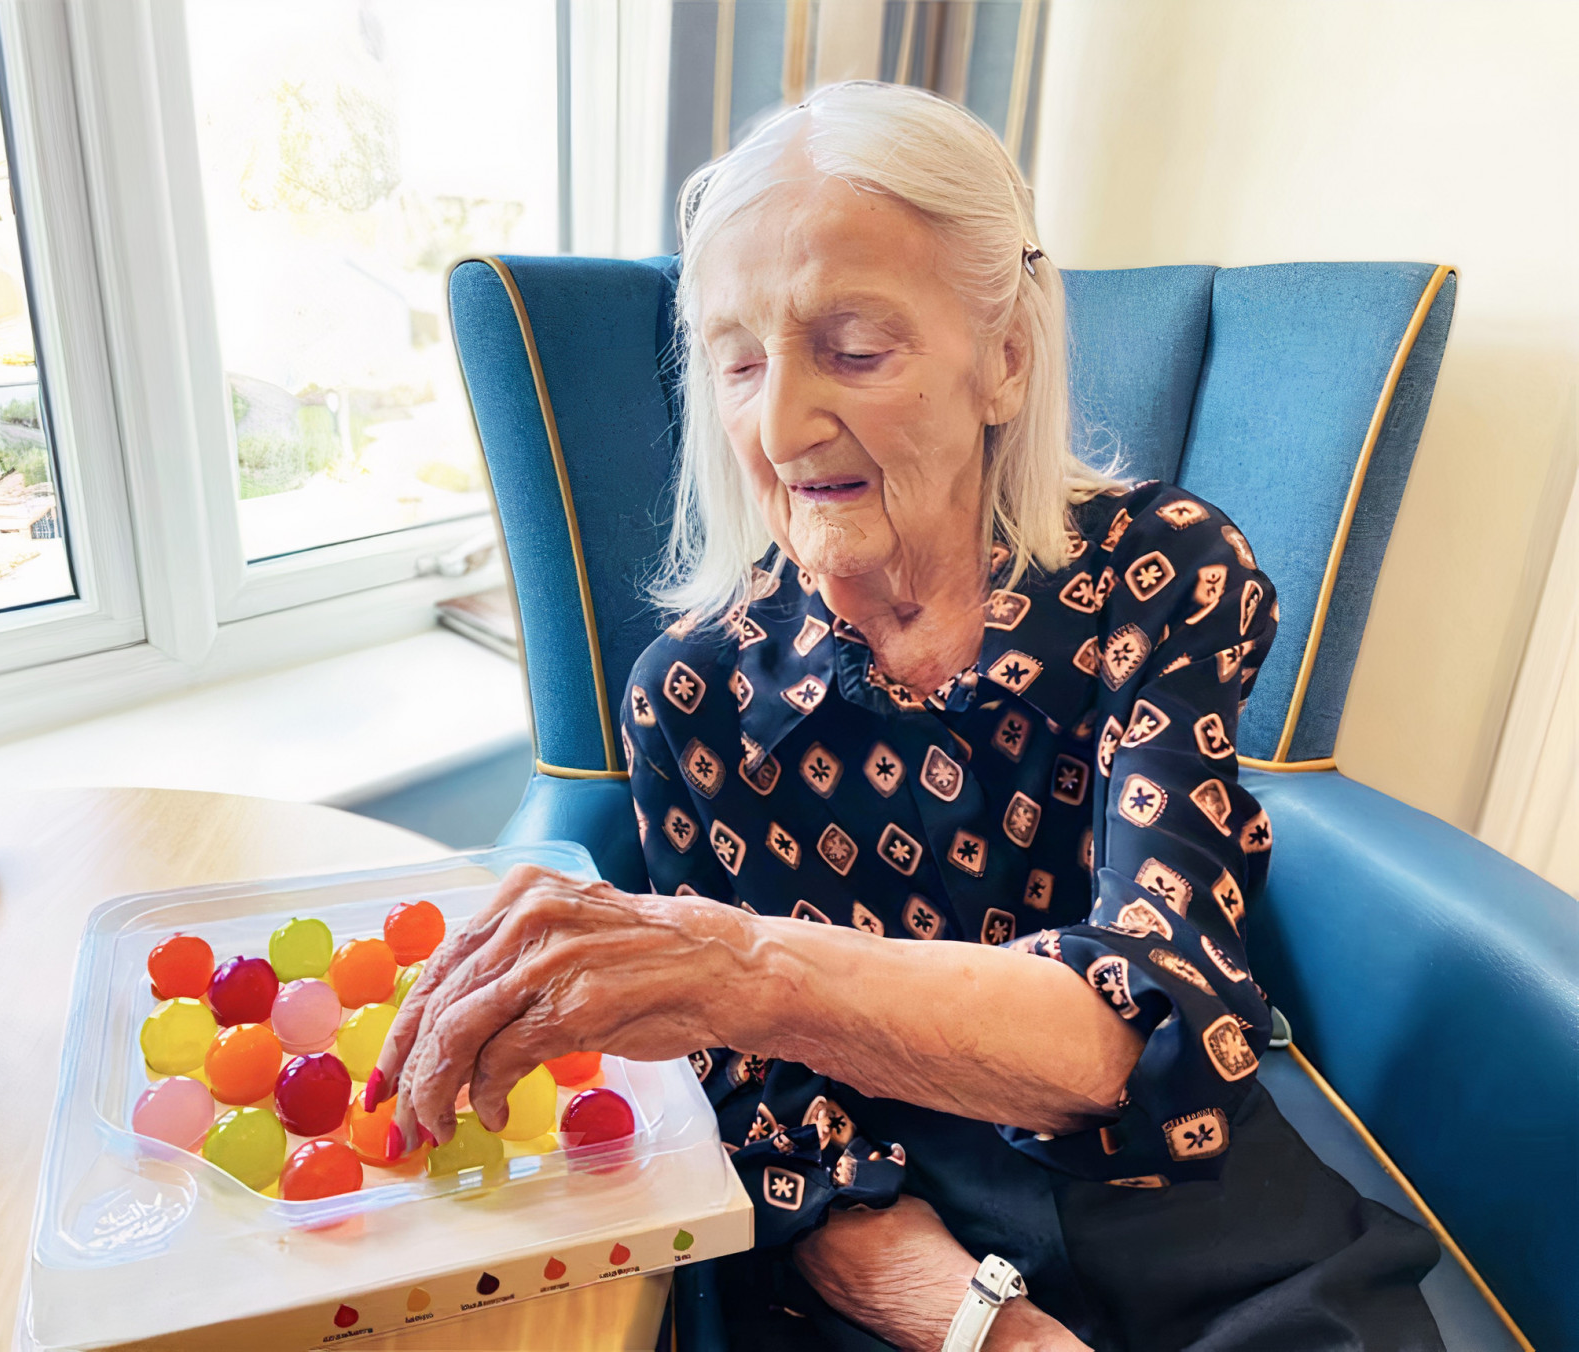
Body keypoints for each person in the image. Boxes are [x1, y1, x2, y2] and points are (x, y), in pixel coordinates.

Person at [375, 82, 1442, 1351]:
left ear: (1003, 357)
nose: (777, 426)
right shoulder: (693, 692)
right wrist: (986, 1329)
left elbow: (1148, 1010)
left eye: (855, 348)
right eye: (741, 361)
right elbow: (764, 1106)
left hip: (1173, 1189)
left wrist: (739, 966)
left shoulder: (1159, 573)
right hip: (880, 1220)